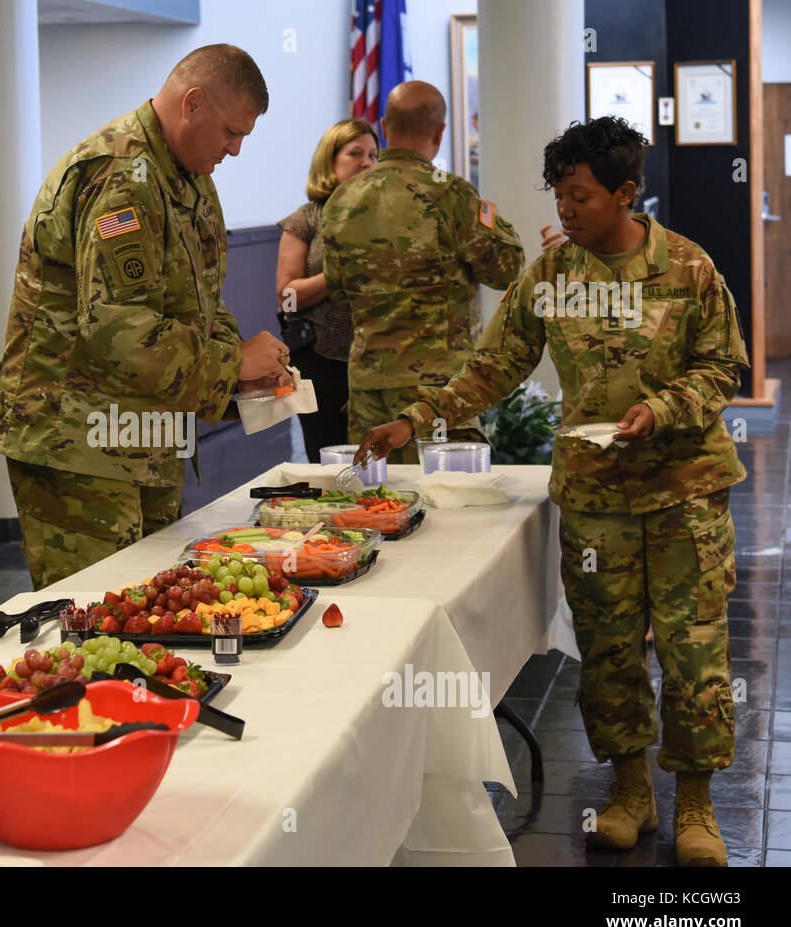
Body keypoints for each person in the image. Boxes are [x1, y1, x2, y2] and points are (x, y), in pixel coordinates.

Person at [356, 116, 746, 867]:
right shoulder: (552, 275)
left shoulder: (688, 269)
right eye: (559, 196)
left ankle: (697, 804)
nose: (564, 211)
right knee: (608, 653)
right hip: (597, 497)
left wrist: (662, 409)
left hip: (683, 492)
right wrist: (416, 417)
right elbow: (493, 365)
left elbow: (723, 367)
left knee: (695, 653)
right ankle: (631, 792)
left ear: (626, 193)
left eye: (580, 196)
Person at [0, 44, 291, 590]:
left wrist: (246, 369)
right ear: (193, 102)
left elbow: (200, 299)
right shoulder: (121, 175)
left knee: (150, 613)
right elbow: (118, 330)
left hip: (144, 435)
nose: (236, 149)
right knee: (95, 621)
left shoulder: (186, 175)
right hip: (78, 442)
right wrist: (231, 364)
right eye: (232, 132)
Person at [322, 80, 525, 462]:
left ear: (384, 127)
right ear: (440, 132)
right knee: (448, 503)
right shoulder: (452, 195)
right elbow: (506, 270)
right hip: (438, 392)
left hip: (369, 387)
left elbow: (335, 285)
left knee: (379, 505)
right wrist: (490, 214)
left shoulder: (341, 199)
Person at [275, 119, 379, 462]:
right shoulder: (306, 219)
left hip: (380, 362)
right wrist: (336, 276)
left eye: (374, 155)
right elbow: (286, 296)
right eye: (356, 153)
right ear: (329, 162)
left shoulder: (386, 218)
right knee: (332, 463)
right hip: (322, 362)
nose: (367, 162)